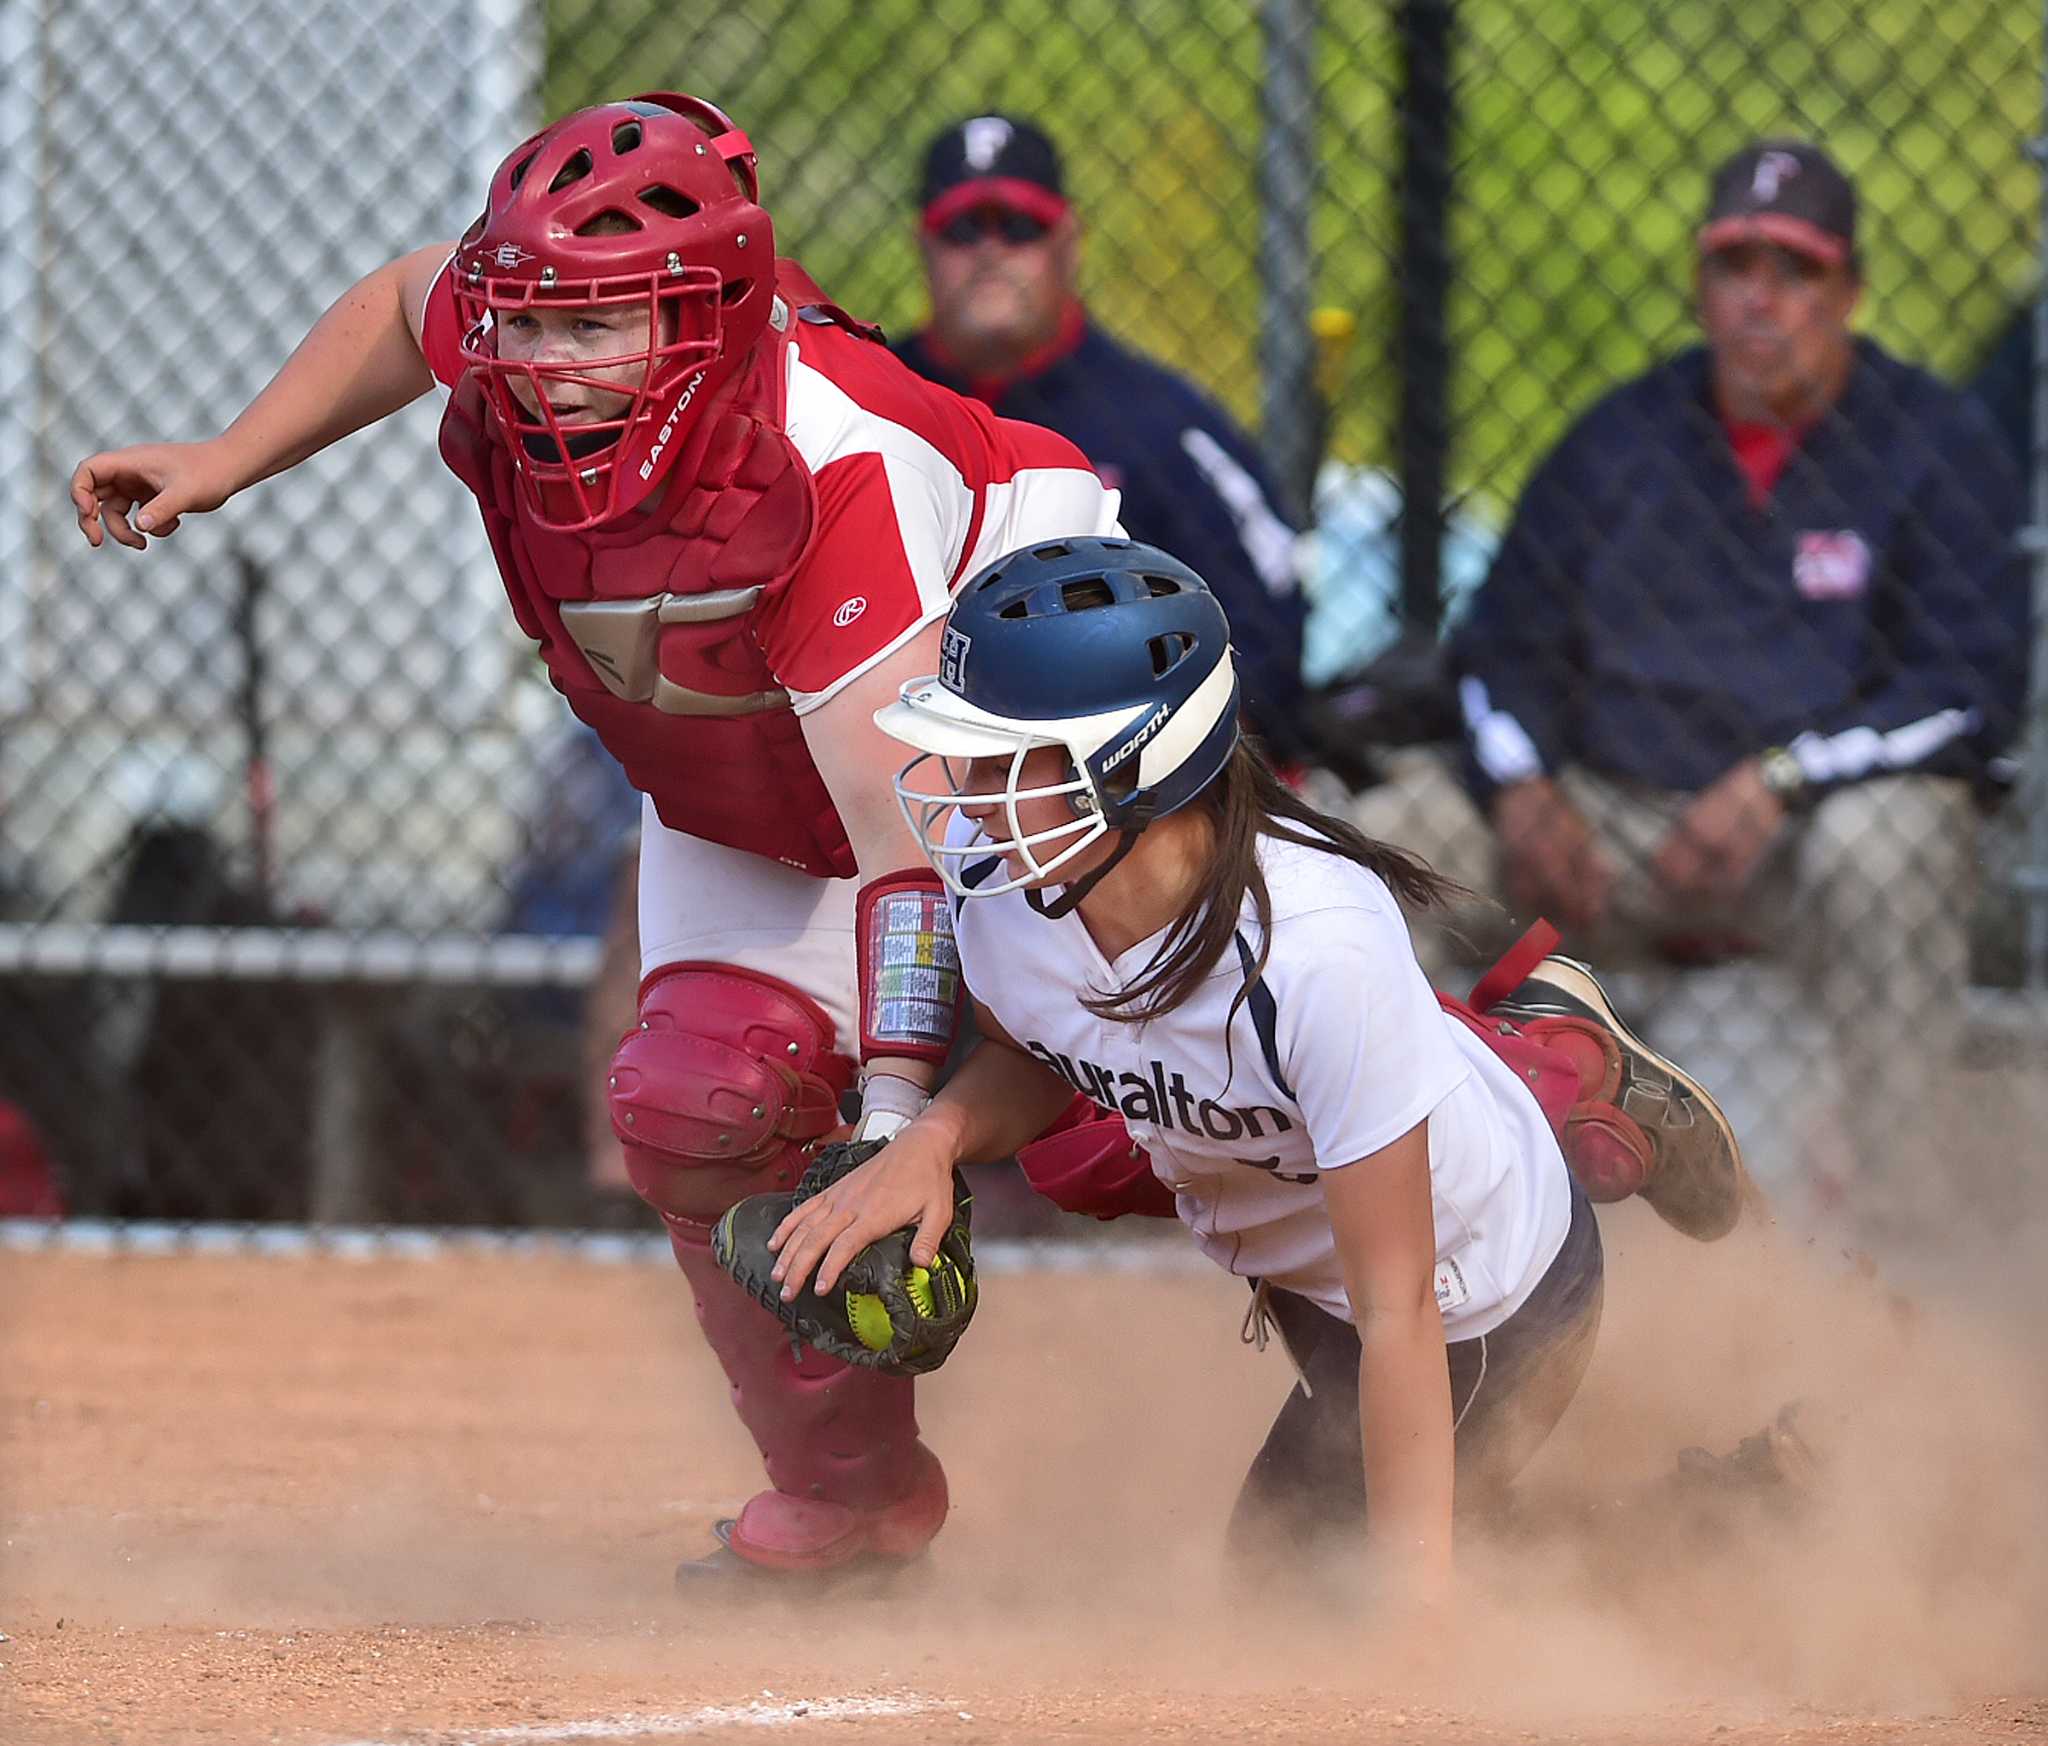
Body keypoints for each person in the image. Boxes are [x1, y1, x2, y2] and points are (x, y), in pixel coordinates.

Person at [68, 91, 1169, 1579]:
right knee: (697, 1102)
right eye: (524, 321)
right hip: (759, 773)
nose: (542, 362)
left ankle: (1435, 1225)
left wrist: (897, 1124)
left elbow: (915, 857)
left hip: (1018, 756)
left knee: (1145, 1111)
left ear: (710, 315)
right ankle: (852, 1504)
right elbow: (402, 302)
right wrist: (227, 456)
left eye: (593, 327)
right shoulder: (521, 344)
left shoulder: (833, 468)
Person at [762, 537, 1751, 1604]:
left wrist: (1410, 1621)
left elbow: (1400, 1309)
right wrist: (933, 1139)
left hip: (1477, 1296)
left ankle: (1735, 1525)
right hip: (1294, 1227)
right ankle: (1542, 1080)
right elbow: (1028, 1047)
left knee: (1318, 1599)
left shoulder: (1313, 951)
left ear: (1130, 767)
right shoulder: (1007, 870)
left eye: (1005, 759)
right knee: (1087, 1163)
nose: (964, 792)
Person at [1444, 140, 2029, 1215]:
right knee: (1397, 831)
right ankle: (1383, 1209)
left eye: (1795, 270)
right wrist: (1523, 786)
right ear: (1700, 285)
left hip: (1797, 852)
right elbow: (1498, 645)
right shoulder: (1617, 438)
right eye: (1734, 265)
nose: (1760, 300)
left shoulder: (1932, 442)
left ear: (1848, 291)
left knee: (1890, 839)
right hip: (1609, 833)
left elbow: (1966, 689)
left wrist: (1782, 778)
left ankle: (1900, 1230)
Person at [892, 114, 1311, 760]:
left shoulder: (1160, 422)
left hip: (1114, 772)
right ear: (924, 246)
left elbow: (1270, 634)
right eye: (963, 230)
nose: (990, 252)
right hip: (898, 748)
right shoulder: (873, 405)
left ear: (1069, 243)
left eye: (1020, 227)